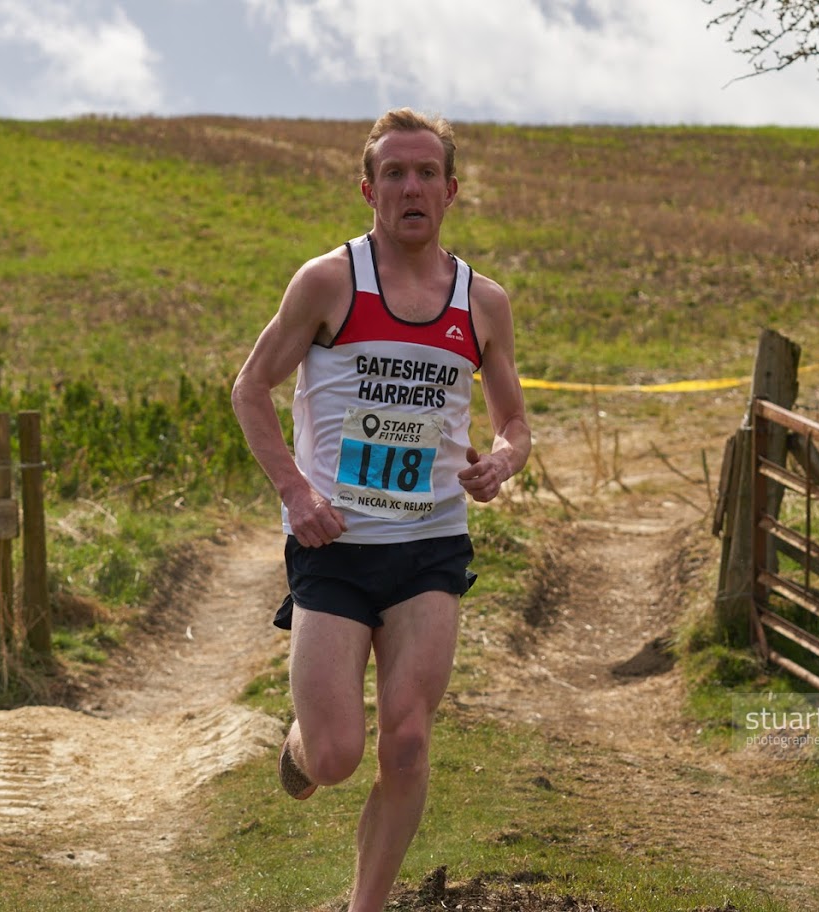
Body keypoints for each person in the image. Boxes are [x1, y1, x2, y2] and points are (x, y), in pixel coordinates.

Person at [231, 108, 531, 911]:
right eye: (393, 173)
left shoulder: (484, 303)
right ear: (368, 189)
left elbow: (514, 419)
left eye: (425, 172)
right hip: (334, 545)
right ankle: (299, 749)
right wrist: (296, 493)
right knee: (334, 757)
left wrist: (503, 459)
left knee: (405, 738)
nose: (410, 186)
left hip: (430, 544)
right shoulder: (328, 281)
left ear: (450, 190)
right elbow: (249, 388)